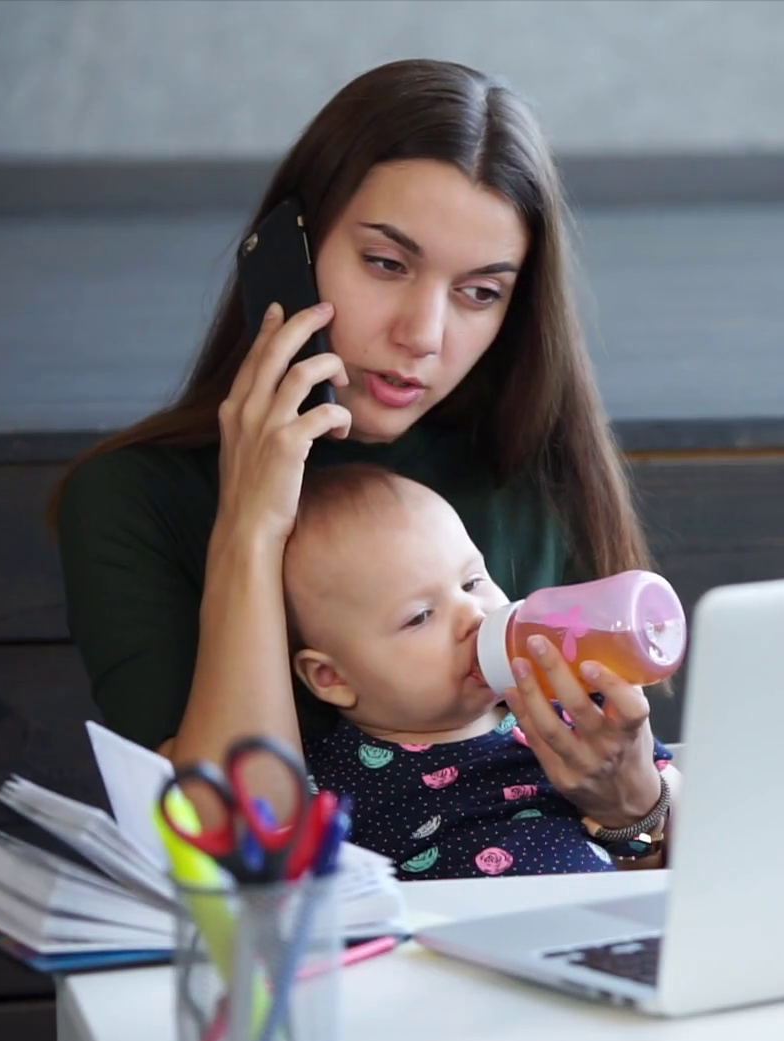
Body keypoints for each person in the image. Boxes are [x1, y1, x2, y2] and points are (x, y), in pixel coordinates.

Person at [52, 59, 669, 842]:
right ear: (287, 251)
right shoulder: (131, 498)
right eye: (386, 264)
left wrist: (632, 808)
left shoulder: (526, 471)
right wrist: (249, 527)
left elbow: (647, 818)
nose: (424, 335)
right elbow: (233, 839)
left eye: (480, 292)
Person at [286, 463, 679, 875]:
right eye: (420, 616)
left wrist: (641, 813)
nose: (473, 614)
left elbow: (697, 836)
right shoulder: (330, 788)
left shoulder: (574, 708)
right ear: (333, 678)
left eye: (472, 582)